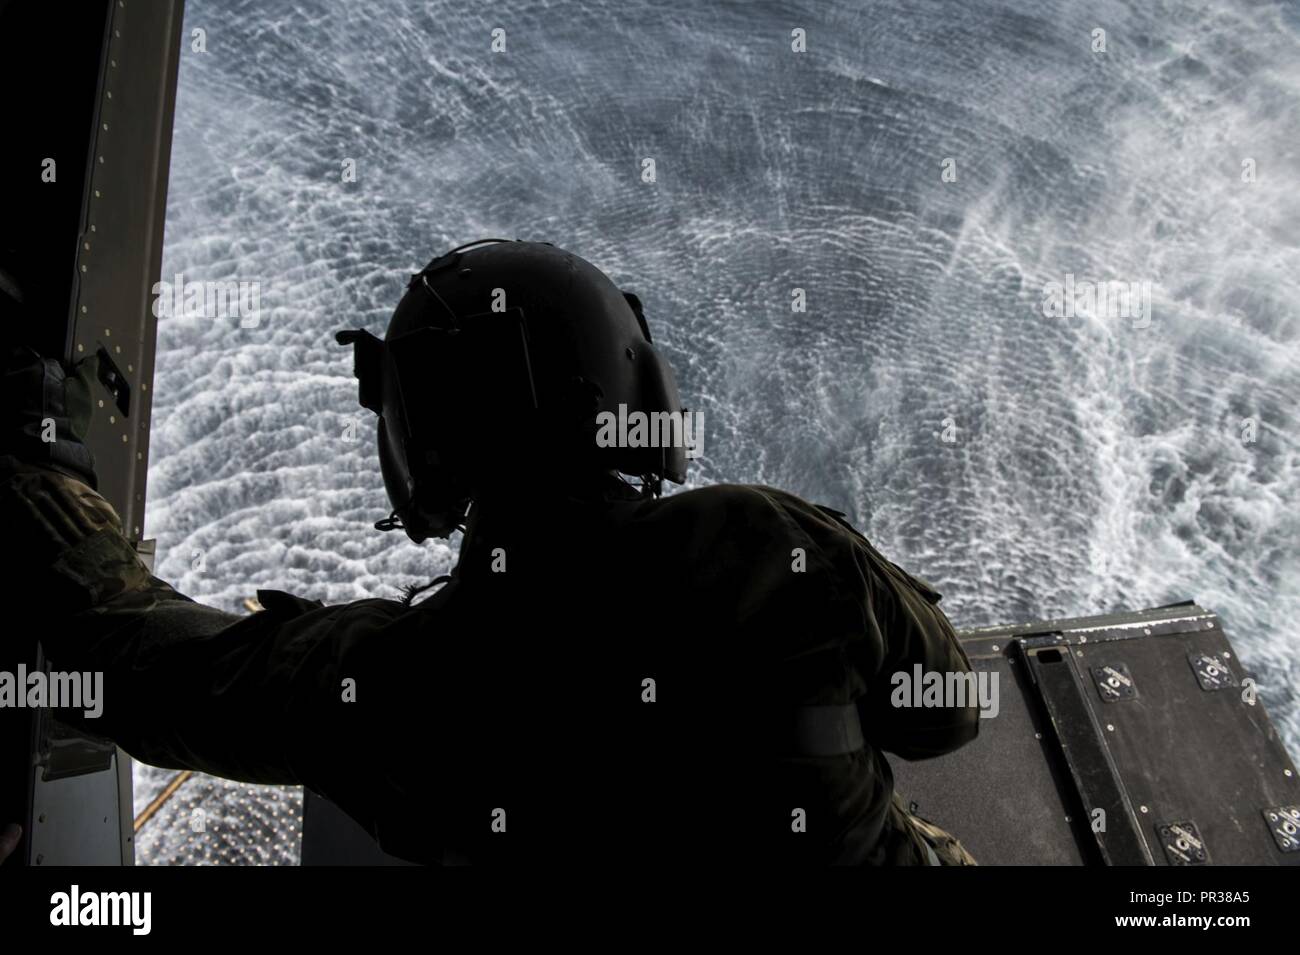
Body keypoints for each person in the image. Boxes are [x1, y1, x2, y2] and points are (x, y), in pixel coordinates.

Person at [1, 239, 978, 864]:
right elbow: (947, 716)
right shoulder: (775, 548)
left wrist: (45, 461)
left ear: (420, 441)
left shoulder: (385, 681)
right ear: (629, 384)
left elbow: (133, 666)